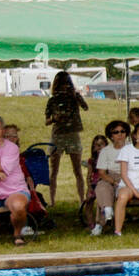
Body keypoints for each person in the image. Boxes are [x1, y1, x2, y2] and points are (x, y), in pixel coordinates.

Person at [44, 70, 89, 206]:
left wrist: (76, 96)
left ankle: (82, 200)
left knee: (77, 170)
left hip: (73, 134)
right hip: (58, 135)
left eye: (67, 83)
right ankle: (52, 201)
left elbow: (85, 107)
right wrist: (53, 119)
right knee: (54, 170)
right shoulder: (52, 100)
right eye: (62, 84)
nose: (65, 86)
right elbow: (46, 121)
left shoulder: (74, 97)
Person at [0, 116, 31, 247]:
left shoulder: (12, 148)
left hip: (14, 190)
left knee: (18, 207)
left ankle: (17, 234)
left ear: (2, 130)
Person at [91, 120, 129, 235]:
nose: (120, 134)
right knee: (102, 187)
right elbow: (102, 173)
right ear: (111, 136)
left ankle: (99, 224)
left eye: (122, 131)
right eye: (116, 132)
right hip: (110, 176)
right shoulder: (105, 151)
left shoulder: (131, 148)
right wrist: (113, 182)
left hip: (127, 176)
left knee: (103, 196)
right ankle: (108, 209)